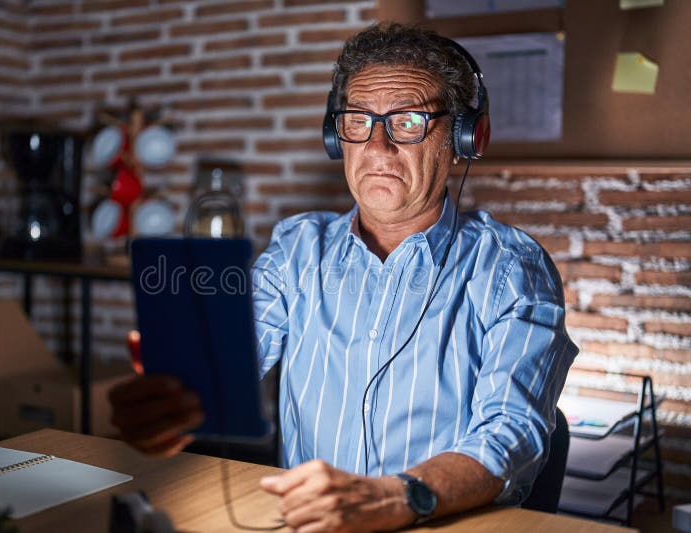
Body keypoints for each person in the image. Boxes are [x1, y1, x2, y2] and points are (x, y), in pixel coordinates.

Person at [109, 23, 577, 532]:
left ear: (465, 138)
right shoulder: (297, 250)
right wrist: (170, 408)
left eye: (409, 121)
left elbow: (512, 432)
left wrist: (397, 497)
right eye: (358, 121)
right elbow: (226, 366)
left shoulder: (511, 269)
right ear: (338, 137)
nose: (378, 147)